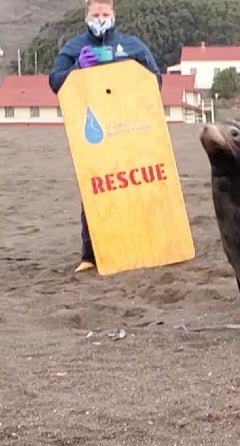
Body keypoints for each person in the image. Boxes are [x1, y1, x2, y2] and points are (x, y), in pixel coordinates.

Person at [48, 0, 162, 272]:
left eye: (105, 14)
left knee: (135, 182)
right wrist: (76, 67)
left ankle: (144, 242)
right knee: (96, 187)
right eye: (95, 14)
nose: (100, 18)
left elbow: (155, 80)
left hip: (130, 128)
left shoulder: (132, 45)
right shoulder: (74, 48)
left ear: (114, 14)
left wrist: (131, 74)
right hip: (93, 133)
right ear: (86, 15)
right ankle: (90, 255)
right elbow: (55, 81)